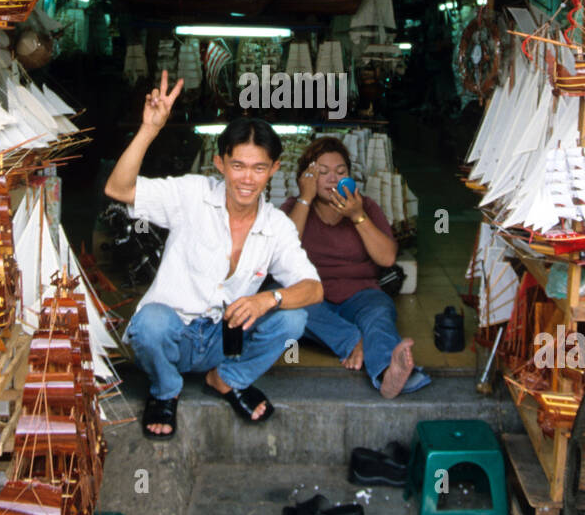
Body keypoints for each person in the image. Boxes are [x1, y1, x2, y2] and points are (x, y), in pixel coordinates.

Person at [104, 72, 323, 439]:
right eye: (237, 166)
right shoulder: (192, 194)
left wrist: (267, 299)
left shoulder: (277, 225)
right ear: (220, 164)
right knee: (149, 324)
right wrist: (149, 130)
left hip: (226, 343)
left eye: (258, 168)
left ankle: (225, 380)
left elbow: (313, 288)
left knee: (293, 319)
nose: (247, 179)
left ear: (274, 170)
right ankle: (165, 389)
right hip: (174, 335)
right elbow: (118, 188)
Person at [281, 137, 430, 399]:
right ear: (306, 176)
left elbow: (386, 259)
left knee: (379, 313)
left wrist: (357, 216)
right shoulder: (294, 207)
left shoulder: (367, 207)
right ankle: (355, 341)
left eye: (340, 172)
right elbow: (281, 255)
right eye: (321, 172)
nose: (332, 179)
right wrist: (305, 199)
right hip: (312, 295)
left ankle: (388, 372)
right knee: (289, 306)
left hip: (360, 294)